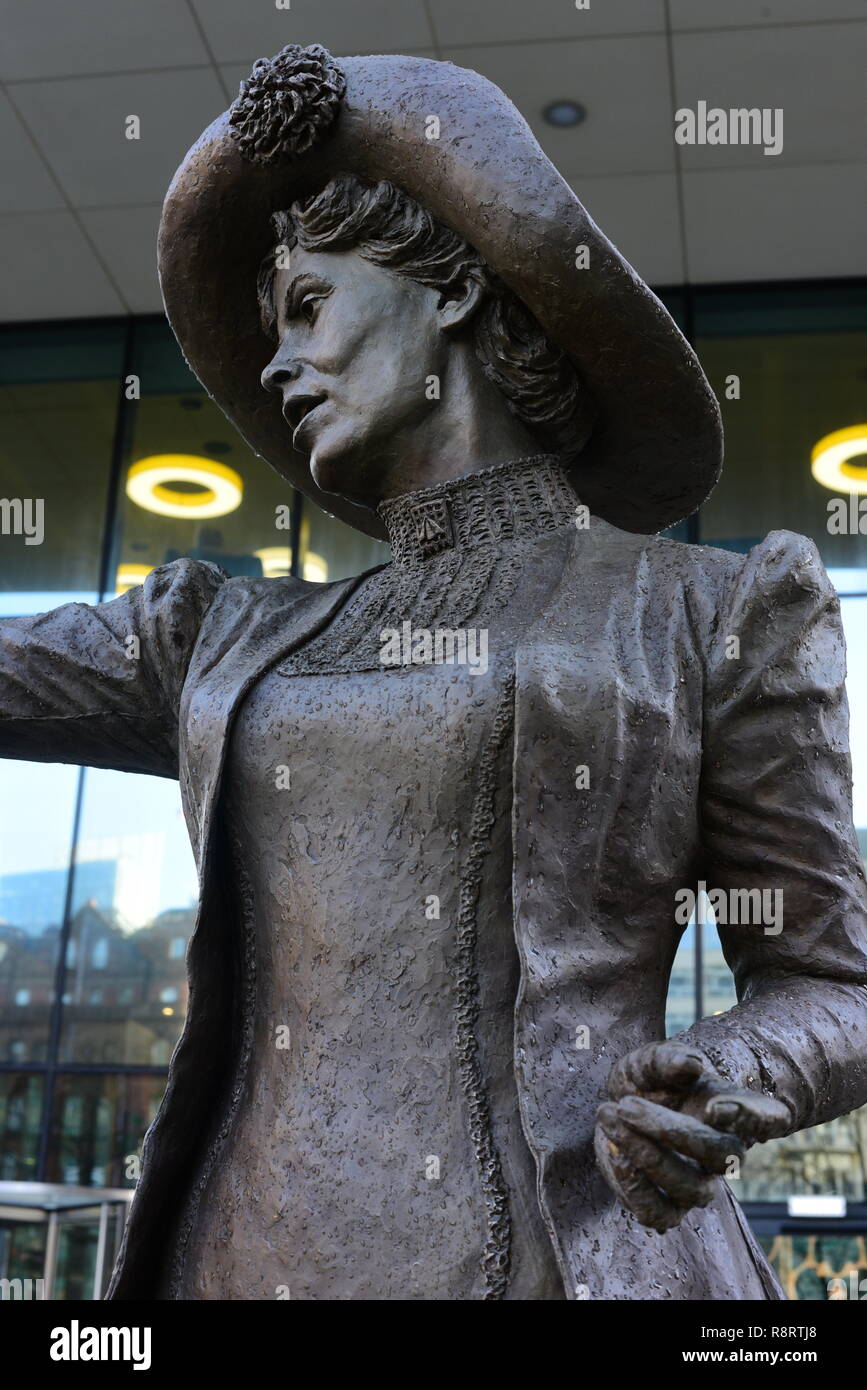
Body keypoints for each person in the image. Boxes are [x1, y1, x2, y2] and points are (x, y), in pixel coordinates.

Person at [2, 45, 866, 1301]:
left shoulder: (713, 611)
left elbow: (831, 978)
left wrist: (731, 1072)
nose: (280, 368)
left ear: (451, 290)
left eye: (308, 306)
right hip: (234, 1266)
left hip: (570, 1267)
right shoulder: (223, 631)